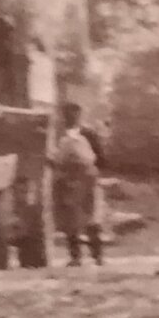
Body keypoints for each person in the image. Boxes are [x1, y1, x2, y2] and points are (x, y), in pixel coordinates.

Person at [49, 101, 106, 266]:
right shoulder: (57, 135)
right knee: (70, 219)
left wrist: (90, 171)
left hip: (87, 179)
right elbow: (55, 158)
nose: (70, 118)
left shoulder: (88, 134)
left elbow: (101, 158)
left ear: (79, 115)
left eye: (74, 114)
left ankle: (98, 256)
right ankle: (75, 256)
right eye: (67, 114)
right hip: (66, 180)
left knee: (92, 217)